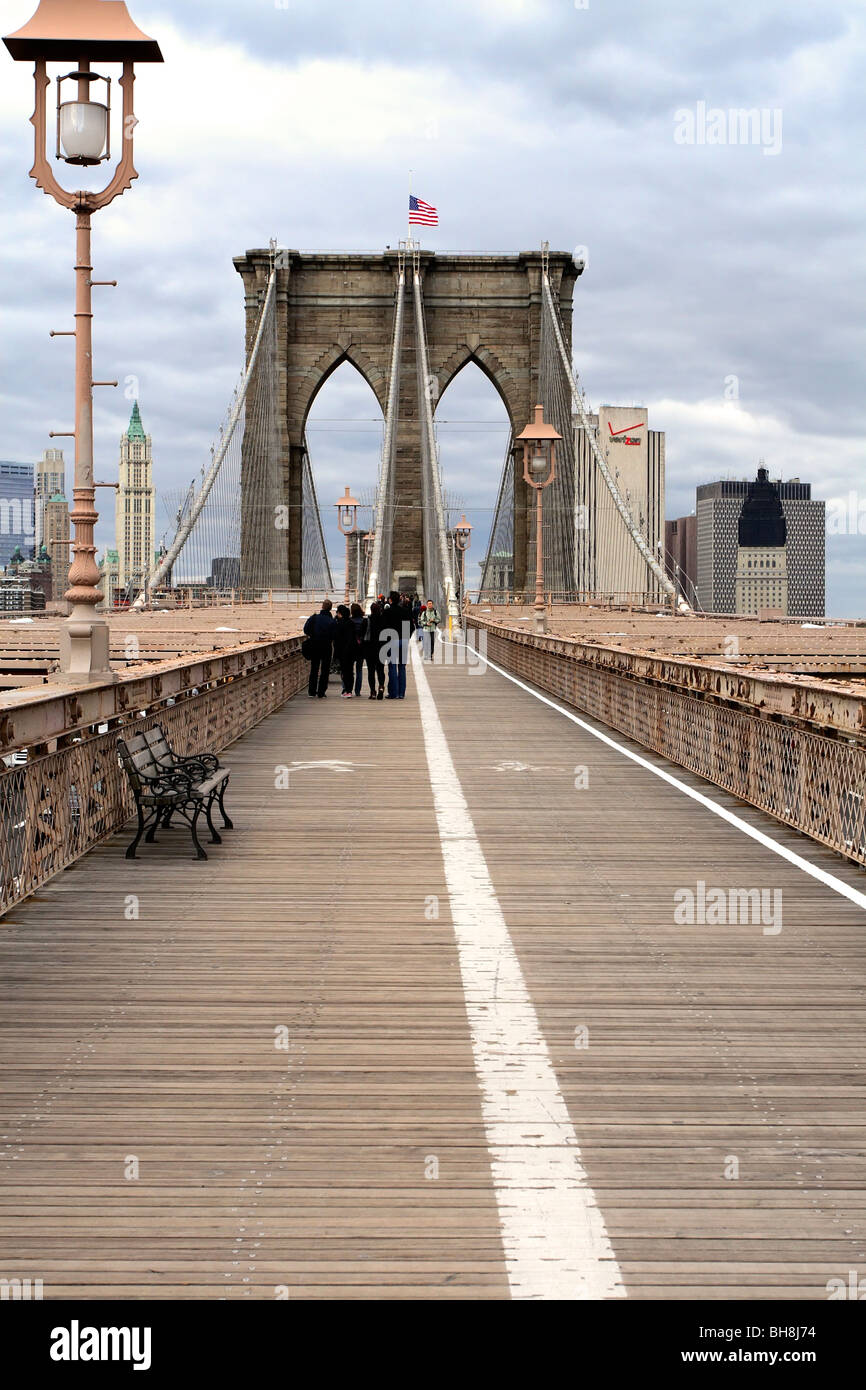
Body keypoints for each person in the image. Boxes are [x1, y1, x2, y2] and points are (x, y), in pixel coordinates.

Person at [381, 590, 412, 699]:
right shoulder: (405, 611)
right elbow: (411, 627)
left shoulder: (387, 612)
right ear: (399, 599)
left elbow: (383, 627)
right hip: (403, 640)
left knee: (392, 667)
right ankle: (401, 693)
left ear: (390, 600)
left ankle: (393, 693)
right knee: (402, 667)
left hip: (391, 640)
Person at [303, 598, 336, 698]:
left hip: (315, 645)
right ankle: (321, 691)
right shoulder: (332, 621)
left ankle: (312, 691)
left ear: (322, 607)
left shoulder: (314, 618)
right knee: (325, 670)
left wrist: (313, 635)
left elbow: (306, 629)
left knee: (314, 668)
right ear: (330, 609)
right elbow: (334, 635)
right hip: (326, 647)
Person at [332, 603, 360, 698]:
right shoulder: (351, 623)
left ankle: (347, 690)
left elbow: (336, 639)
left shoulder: (340, 624)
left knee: (344, 672)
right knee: (350, 671)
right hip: (351, 651)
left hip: (343, 652)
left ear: (340, 613)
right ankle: (349, 690)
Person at [362, 601, 386, 699]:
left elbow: (362, 635)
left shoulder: (367, 621)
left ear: (371, 610)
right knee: (380, 669)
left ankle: (372, 692)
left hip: (369, 649)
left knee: (371, 671)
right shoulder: (384, 620)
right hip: (381, 648)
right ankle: (381, 687)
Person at [349, 602, 366, 696]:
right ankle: (357, 691)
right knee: (359, 669)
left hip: (351, 647)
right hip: (361, 647)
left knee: (350, 669)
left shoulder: (350, 621)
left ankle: (348, 689)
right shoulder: (364, 621)